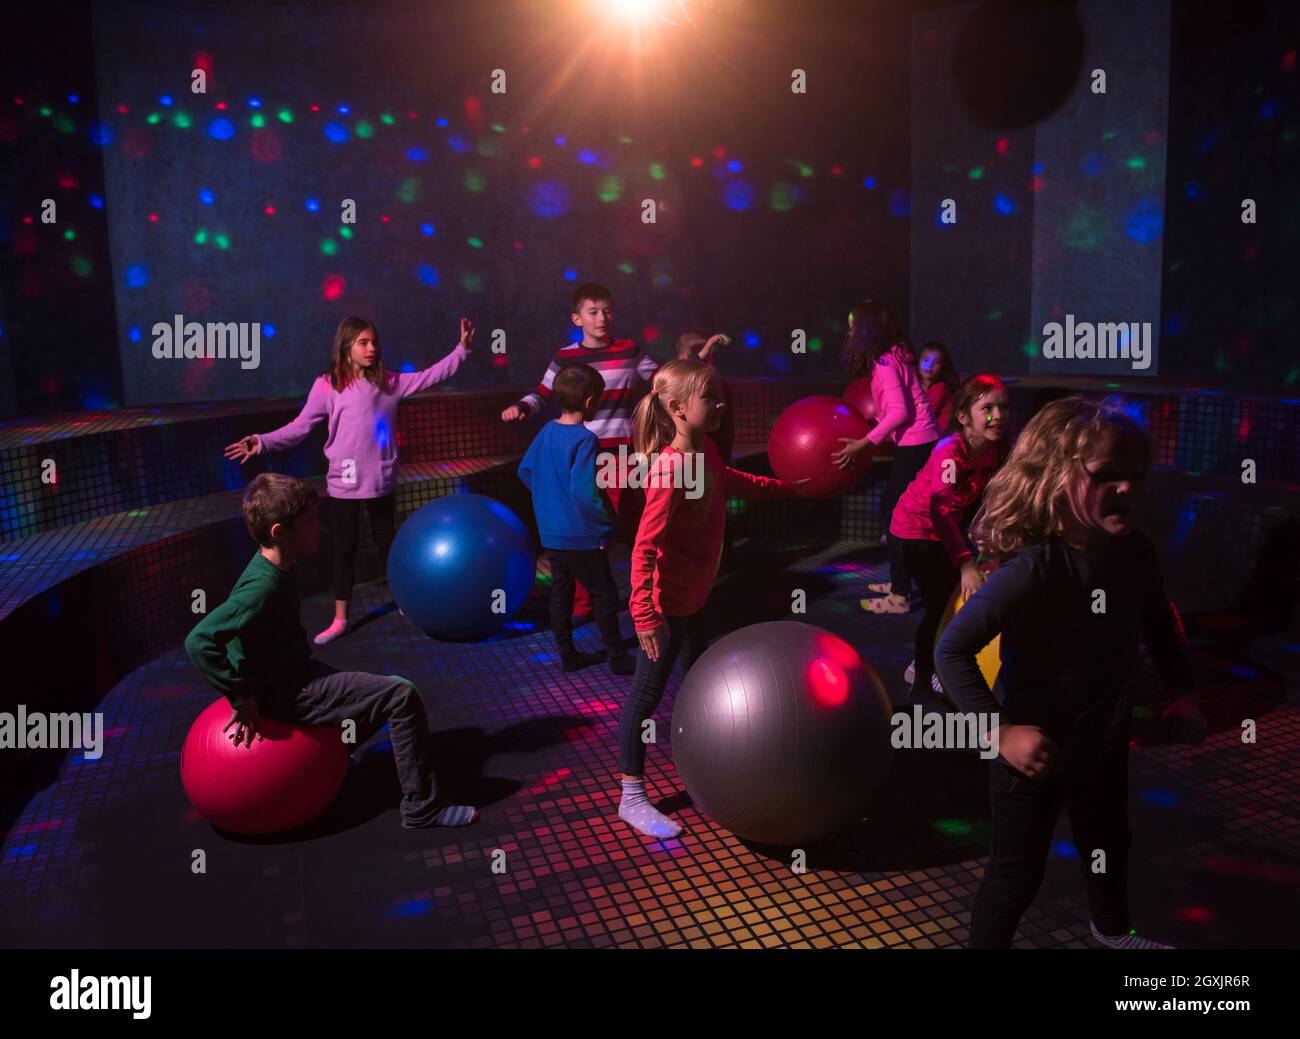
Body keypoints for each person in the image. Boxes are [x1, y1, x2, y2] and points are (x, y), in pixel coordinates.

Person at [935, 396, 1207, 948]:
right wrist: (999, 732)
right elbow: (951, 651)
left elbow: (1159, 623)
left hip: (1103, 742)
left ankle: (1113, 933)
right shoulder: (1035, 567)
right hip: (1031, 756)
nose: (1127, 489)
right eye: (1106, 476)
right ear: (1057, 478)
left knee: (1108, 843)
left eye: (1136, 475)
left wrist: (1182, 692)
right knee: (1015, 876)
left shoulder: (1136, 553)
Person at [185, 473, 477, 829]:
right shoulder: (261, 587)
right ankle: (423, 808)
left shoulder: (274, 566)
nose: (318, 529)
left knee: (366, 693)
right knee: (401, 695)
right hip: (291, 694)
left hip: (296, 674)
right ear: (279, 532)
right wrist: (241, 696)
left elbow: (238, 635)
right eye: (309, 523)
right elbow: (200, 640)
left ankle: (334, 756)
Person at [617, 360, 802, 838]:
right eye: (709, 397)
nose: (721, 404)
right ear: (678, 408)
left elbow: (732, 480)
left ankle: (706, 762)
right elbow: (643, 548)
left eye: (720, 394)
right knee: (645, 698)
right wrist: (644, 615)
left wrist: (785, 489)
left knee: (699, 683)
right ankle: (631, 796)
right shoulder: (669, 470)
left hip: (698, 597)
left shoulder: (707, 451)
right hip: (666, 609)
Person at [224, 316, 474, 644]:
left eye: (374, 342)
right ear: (346, 347)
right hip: (345, 483)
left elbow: (431, 375)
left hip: (380, 480)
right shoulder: (328, 385)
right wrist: (262, 441)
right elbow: (299, 427)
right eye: (363, 343)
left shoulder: (389, 382)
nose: (372, 348)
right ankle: (340, 618)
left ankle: (404, 600)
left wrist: (461, 351)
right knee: (345, 548)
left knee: (388, 543)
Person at [887, 375, 1009, 701]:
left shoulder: (991, 450)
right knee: (940, 603)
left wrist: (986, 542)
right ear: (964, 417)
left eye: (1002, 406)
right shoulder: (949, 453)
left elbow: (986, 500)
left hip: (946, 530)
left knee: (958, 598)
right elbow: (940, 511)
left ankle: (930, 663)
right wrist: (965, 562)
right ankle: (920, 678)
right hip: (914, 531)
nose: (998, 415)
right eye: (987, 408)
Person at [518, 363, 636, 676]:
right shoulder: (585, 439)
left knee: (561, 594)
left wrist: (550, 499)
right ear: (589, 402)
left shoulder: (547, 430)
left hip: (551, 534)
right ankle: (617, 657)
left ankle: (568, 656)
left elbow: (525, 470)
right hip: (581, 536)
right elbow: (585, 493)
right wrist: (604, 530)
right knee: (604, 594)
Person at [832, 301, 942, 613]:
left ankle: (899, 594)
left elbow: (900, 412)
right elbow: (901, 407)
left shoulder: (884, 363)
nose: (850, 332)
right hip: (922, 441)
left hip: (916, 444)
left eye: (853, 326)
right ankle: (901, 580)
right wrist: (874, 425)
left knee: (894, 516)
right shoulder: (895, 355)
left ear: (864, 330)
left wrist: (862, 444)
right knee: (897, 513)